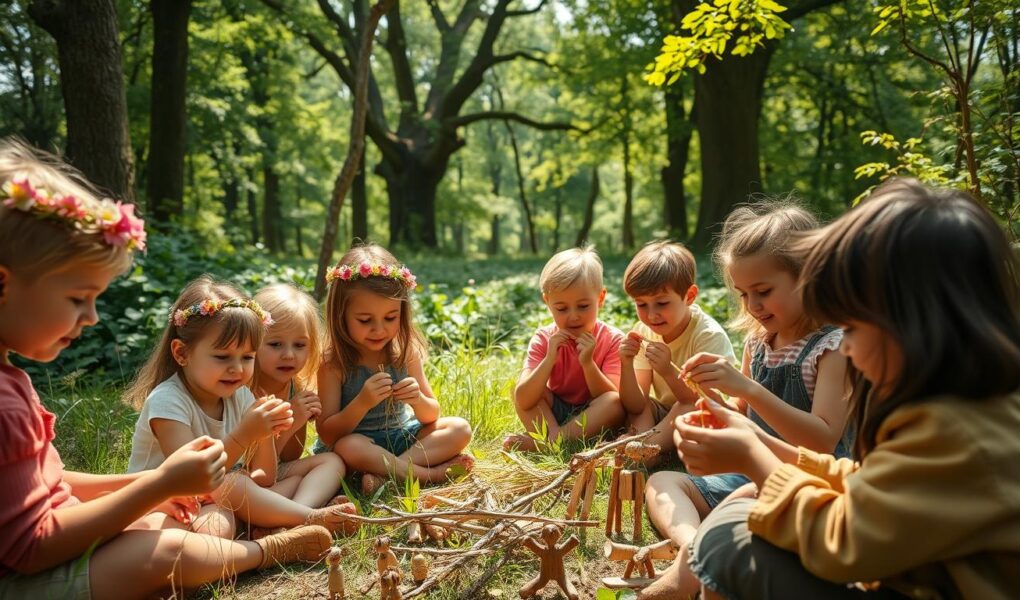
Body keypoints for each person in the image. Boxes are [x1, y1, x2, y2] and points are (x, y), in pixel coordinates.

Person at [0, 138, 330, 600]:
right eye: (78, 298)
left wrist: (150, 488)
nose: (92, 317)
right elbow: (30, 549)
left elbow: (54, 483)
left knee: (167, 524)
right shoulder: (5, 402)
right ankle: (267, 551)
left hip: (75, 531)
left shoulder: (13, 381)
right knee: (170, 550)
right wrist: (159, 482)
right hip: (24, 578)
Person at [680, 178, 1020, 599]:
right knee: (737, 515)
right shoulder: (963, 408)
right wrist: (749, 435)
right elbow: (864, 483)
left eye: (854, 328)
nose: (851, 349)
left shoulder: (961, 433)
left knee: (727, 540)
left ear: (913, 324)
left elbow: (844, 543)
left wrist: (754, 459)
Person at [642, 201, 852, 599]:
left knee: (745, 496)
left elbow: (823, 439)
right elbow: (745, 414)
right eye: (744, 295)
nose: (753, 306)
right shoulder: (758, 341)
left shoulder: (832, 348)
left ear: (809, 277)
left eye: (764, 292)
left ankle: (686, 574)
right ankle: (693, 544)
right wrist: (714, 406)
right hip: (747, 466)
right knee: (664, 481)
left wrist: (749, 389)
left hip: (807, 478)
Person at [125, 276, 355, 538]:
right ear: (181, 353)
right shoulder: (167, 401)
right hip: (168, 503)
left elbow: (265, 478)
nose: (237, 369)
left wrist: (265, 432)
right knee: (220, 523)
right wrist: (244, 434)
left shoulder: (240, 395)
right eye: (222, 357)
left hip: (221, 495)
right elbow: (191, 478)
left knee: (322, 465)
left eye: (247, 358)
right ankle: (304, 519)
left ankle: (283, 518)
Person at [315, 243, 473, 495]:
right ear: (340, 315)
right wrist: (362, 402)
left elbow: (431, 414)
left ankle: (387, 475)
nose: (379, 329)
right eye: (365, 320)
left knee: (459, 428)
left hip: (401, 438)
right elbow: (327, 433)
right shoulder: (334, 364)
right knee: (348, 446)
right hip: (359, 447)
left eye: (390, 318)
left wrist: (417, 399)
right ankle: (427, 475)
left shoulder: (405, 352)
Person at [618, 240, 736, 456]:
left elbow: (704, 400)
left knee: (689, 406)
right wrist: (626, 364)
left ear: (689, 296)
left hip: (704, 415)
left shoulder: (707, 336)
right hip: (664, 417)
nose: (651, 315)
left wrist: (667, 371)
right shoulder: (644, 331)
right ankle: (642, 446)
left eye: (662, 303)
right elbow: (636, 404)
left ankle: (645, 451)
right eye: (641, 305)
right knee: (644, 407)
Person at [504, 244, 625, 452]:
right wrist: (549, 359)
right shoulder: (544, 338)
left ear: (601, 298)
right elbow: (524, 399)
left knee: (613, 401)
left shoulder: (613, 339)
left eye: (583, 306)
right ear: (547, 302)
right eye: (561, 308)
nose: (573, 316)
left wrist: (587, 363)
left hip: (593, 415)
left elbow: (612, 399)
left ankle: (551, 442)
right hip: (555, 413)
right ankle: (556, 440)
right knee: (524, 391)